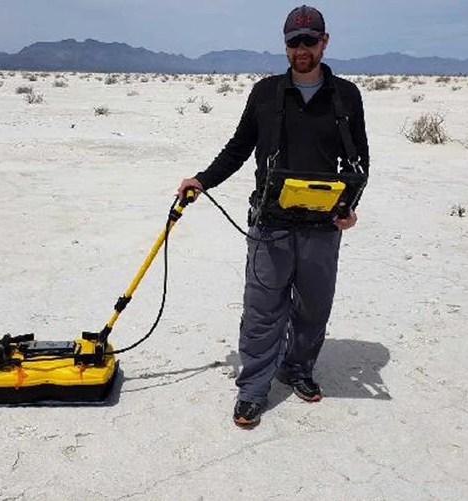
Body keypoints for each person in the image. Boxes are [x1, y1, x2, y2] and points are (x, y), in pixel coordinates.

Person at [176, 5, 370, 428]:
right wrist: (202, 180)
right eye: (294, 42)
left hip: (323, 226)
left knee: (314, 308)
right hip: (271, 223)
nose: (302, 49)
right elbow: (238, 148)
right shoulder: (265, 94)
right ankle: (252, 389)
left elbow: (359, 160)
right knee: (263, 309)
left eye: (310, 41)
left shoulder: (346, 96)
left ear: (324, 41)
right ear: (285, 45)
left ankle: (297, 368)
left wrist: (350, 207)